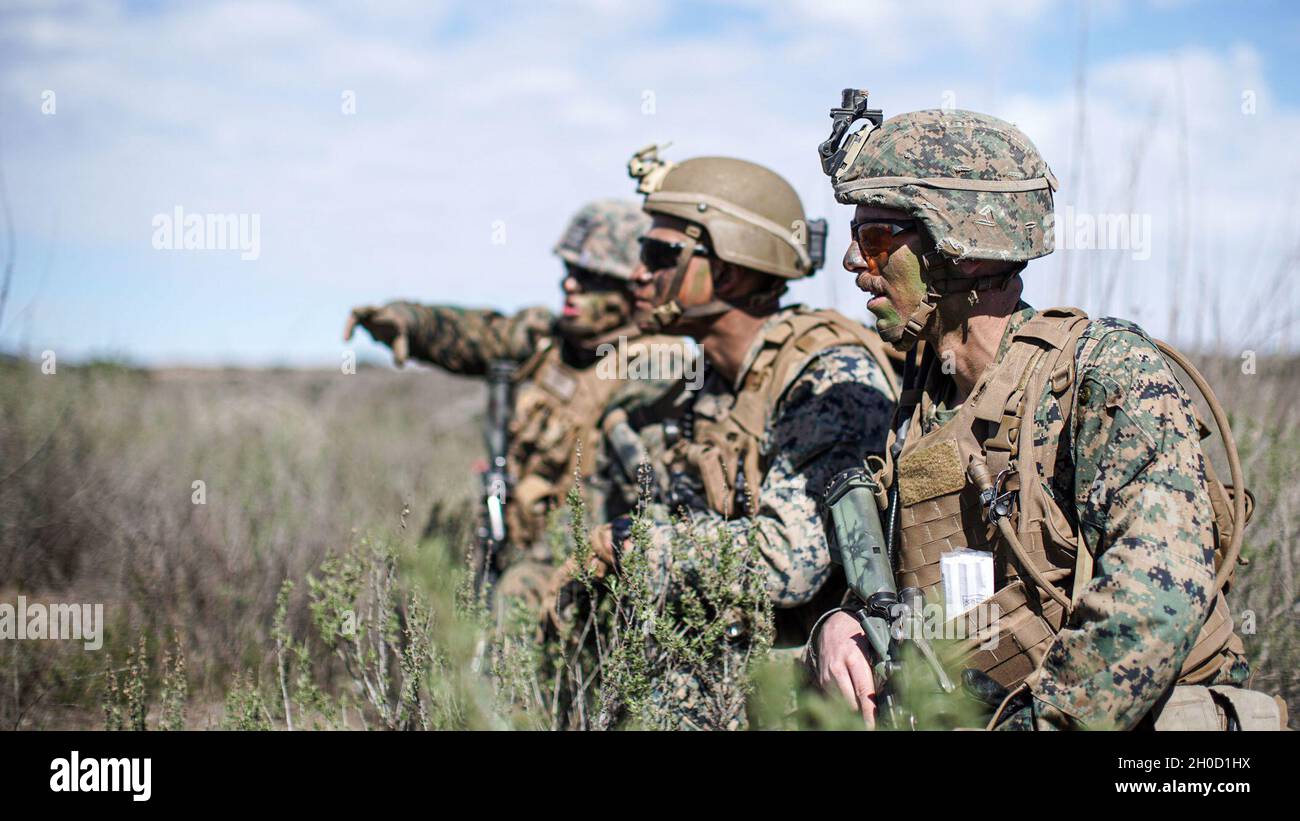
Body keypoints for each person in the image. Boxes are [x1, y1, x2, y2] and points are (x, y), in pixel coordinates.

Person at [809, 98, 1278, 730]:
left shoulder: (1103, 374)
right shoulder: (922, 399)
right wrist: (838, 627)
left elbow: (1156, 601)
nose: (854, 266)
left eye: (876, 240)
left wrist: (1035, 722)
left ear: (962, 248)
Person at [571, 146, 899, 728]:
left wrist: (629, 545)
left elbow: (787, 563)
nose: (638, 272)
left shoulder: (827, 374)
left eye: (658, 253)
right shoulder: (713, 381)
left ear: (731, 266)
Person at [345, 200, 686, 610]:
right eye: (568, 271)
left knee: (513, 607)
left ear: (633, 285)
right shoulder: (548, 341)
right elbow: (477, 334)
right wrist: (407, 322)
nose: (569, 285)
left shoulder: (659, 362)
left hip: (590, 560)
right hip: (520, 538)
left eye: (589, 277)